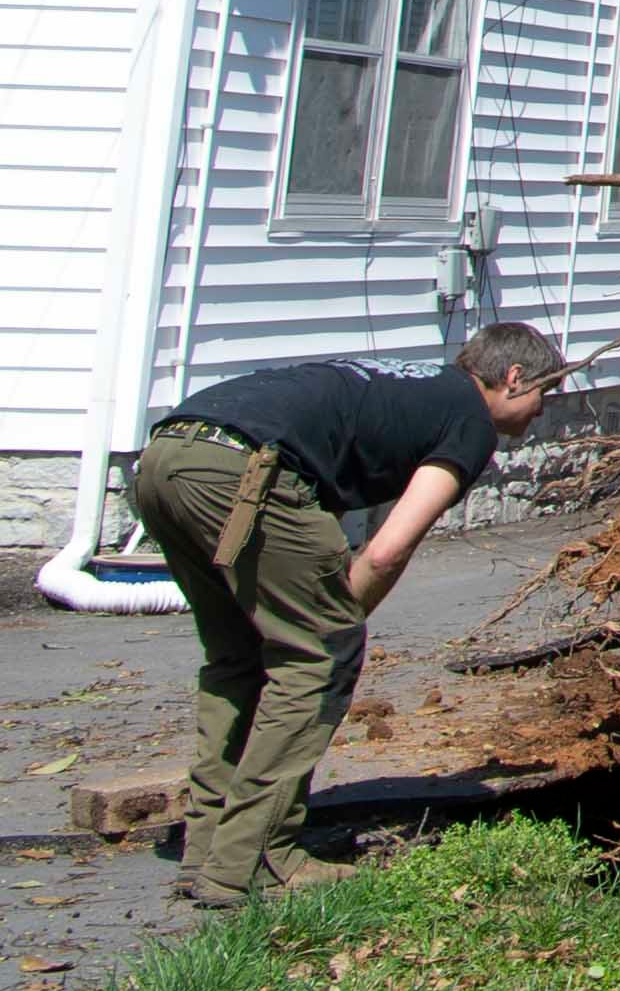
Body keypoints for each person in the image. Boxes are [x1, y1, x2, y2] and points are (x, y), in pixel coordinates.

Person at [128, 322, 565, 910]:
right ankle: (252, 861)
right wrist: (334, 628)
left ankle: (207, 854)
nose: (540, 415)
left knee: (239, 657)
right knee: (314, 657)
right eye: (544, 396)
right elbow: (386, 551)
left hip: (167, 456)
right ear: (514, 379)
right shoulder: (470, 422)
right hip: (243, 471)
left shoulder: (418, 384)